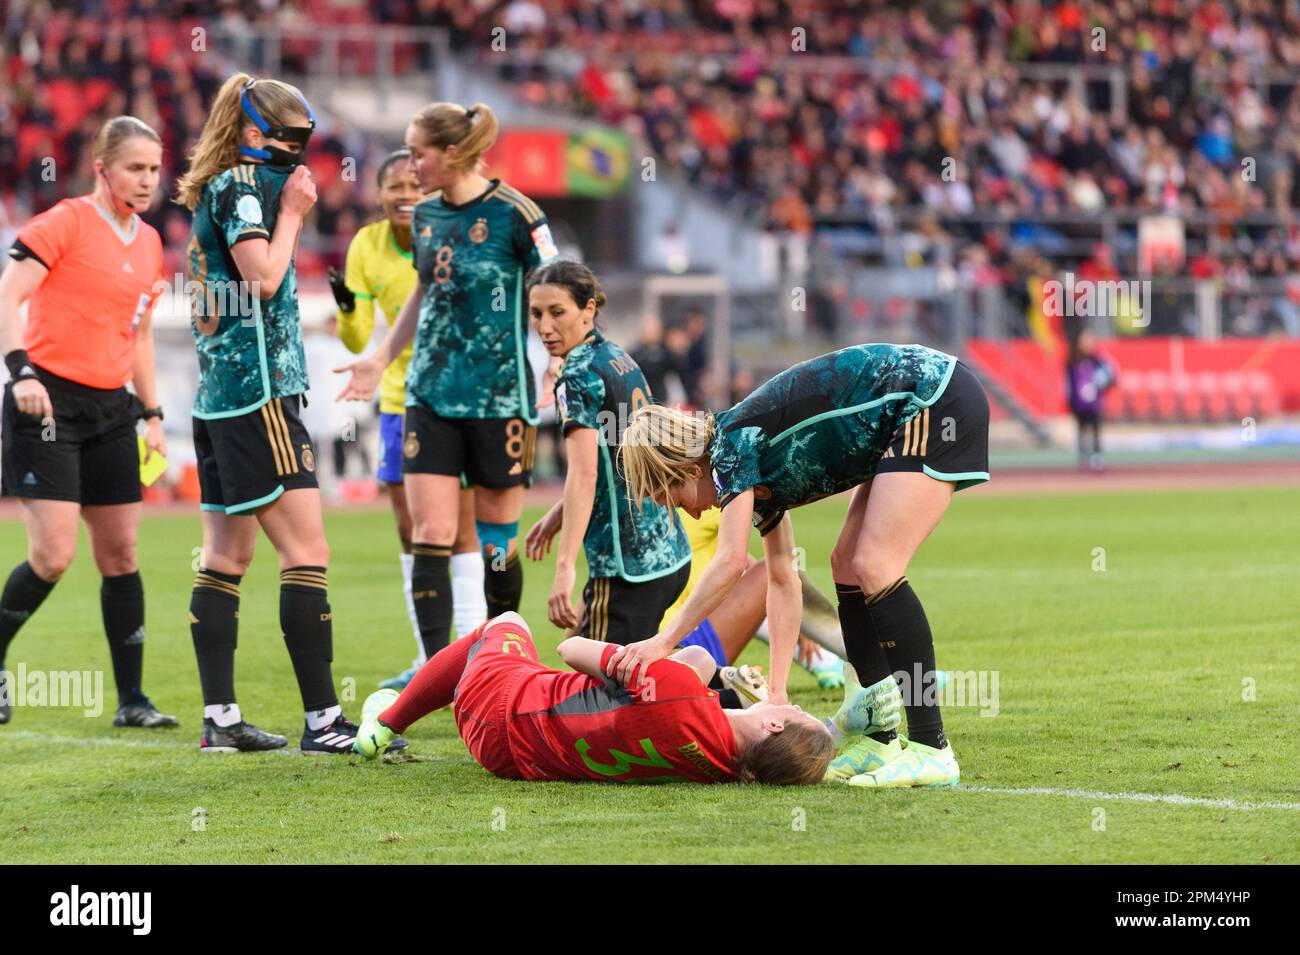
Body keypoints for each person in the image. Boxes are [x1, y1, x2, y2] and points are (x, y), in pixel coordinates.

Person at [615, 343, 991, 788]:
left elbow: (732, 561)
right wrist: (777, 692)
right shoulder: (743, 471)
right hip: (907, 409)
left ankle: (932, 748)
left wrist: (664, 640)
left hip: (931, 398)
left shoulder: (729, 451)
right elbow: (781, 578)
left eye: (672, 499)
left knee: (875, 565)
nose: (689, 514)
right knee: (847, 565)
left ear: (682, 469)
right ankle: (880, 735)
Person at [175, 73, 393, 754]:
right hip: (258, 393)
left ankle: (220, 717)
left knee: (226, 556)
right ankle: (324, 720)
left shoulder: (228, 183)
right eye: (292, 137)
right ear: (251, 133)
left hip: (222, 395)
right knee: (308, 551)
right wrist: (296, 211)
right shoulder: (242, 185)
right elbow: (261, 278)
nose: (301, 152)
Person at [336, 101, 559, 669]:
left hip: (499, 399)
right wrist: (382, 355)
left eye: (419, 152)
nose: (411, 166)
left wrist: (560, 358)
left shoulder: (518, 215)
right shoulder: (428, 216)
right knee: (429, 532)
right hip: (429, 394)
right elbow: (422, 292)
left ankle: (498, 667)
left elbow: (560, 285)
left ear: (454, 152)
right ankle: (436, 676)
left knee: (496, 543)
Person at [0, 116, 175, 728]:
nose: (148, 179)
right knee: (52, 556)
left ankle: (133, 701)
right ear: (101, 168)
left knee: (122, 553)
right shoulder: (65, 222)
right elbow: (7, 295)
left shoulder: (151, 242)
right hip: (44, 402)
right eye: (135, 167)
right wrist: (20, 373)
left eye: (154, 168)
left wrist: (151, 413)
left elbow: (143, 334)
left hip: (111, 408)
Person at [329, 149, 487, 688]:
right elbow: (356, 336)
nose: (403, 195)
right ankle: (429, 658)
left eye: (412, 186)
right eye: (393, 186)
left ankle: (475, 657)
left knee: (460, 529)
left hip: (455, 399)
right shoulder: (366, 246)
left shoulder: (448, 235)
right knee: (411, 531)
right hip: (399, 401)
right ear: (377, 195)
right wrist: (347, 307)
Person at [353, 612, 835, 785]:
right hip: (513, 761)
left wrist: (646, 656)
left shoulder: (676, 688)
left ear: (774, 727)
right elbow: (701, 692)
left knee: (506, 624)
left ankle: (386, 725)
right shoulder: (725, 769)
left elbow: (569, 649)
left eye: (794, 713)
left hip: (503, 705)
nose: (790, 705)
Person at [521, 261, 691, 645]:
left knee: (603, 695)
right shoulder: (617, 356)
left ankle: (731, 699)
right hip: (668, 552)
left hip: (625, 566)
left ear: (589, 310)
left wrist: (564, 568)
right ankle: (729, 684)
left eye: (557, 312)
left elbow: (584, 475)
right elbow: (618, 458)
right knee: (645, 669)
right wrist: (559, 513)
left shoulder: (577, 375)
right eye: (536, 313)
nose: (545, 326)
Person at [1065, 331, 1115, 471]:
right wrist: (1070, 399)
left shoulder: (1097, 361)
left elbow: (1110, 375)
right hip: (1079, 403)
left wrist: (1098, 385)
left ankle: (1096, 455)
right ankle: (1082, 455)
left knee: (1095, 428)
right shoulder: (1073, 362)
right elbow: (1068, 383)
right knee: (1081, 429)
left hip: (1094, 403)